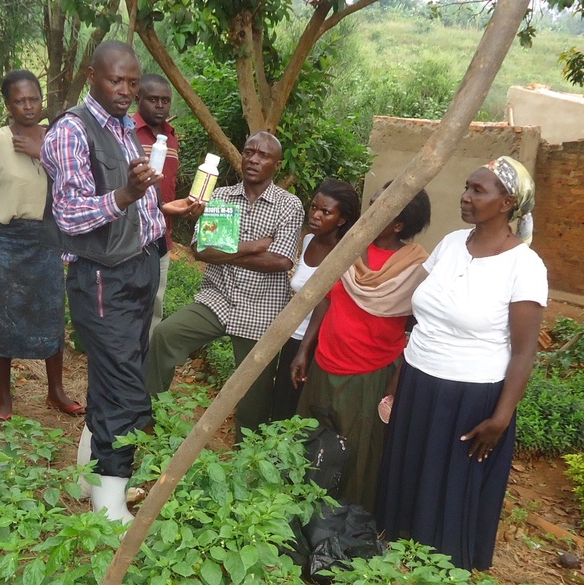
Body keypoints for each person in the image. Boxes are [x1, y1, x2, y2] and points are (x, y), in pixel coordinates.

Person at [40, 41, 199, 523]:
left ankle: (95, 478)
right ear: (92, 75)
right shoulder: (70, 132)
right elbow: (69, 213)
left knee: (117, 375)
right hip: (102, 276)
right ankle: (111, 497)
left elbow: (139, 195)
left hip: (139, 266)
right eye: (116, 81)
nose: (126, 91)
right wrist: (127, 194)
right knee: (128, 390)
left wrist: (153, 209)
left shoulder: (124, 125)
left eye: (132, 83)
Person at [374, 158, 547, 570]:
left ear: (507, 203)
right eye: (467, 187)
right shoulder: (451, 244)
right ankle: (398, 548)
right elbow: (421, 322)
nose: (465, 197)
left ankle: (439, 573)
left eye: (478, 191)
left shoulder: (524, 267)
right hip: (419, 380)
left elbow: (524, 353)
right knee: (410, 472)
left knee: (448, 485)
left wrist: (502, 418)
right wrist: (399, 382)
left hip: (470, 394)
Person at [147, 131, 304, 439]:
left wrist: (227, 252)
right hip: (217, 299)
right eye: (249, 152)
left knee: (253, 388)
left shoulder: (289, 206)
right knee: (165, 336)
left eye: (263, 155)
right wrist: (254, 246)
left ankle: (246, 450)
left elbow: (281, 261)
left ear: (277, 164)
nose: (254, 159)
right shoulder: (219, 197)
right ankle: (148, 415)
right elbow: (202, 251)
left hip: (261, 308)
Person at [290, 188, 432, 513]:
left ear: (399, 225)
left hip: (369, 374)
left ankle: (343, 523)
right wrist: (304, 351)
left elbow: (419, 325)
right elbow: (327, 299)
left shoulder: (415, 268)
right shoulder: (350, 247)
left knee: (356, 455)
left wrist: (398, 378)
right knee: (310, 442)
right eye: (371, 205)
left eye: (381, 208)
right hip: (325, 363)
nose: (370, 212)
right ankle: (298, 513)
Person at [0, 69, 83, 422]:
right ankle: (5, 398)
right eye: (19, 101)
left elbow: (71, 182)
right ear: (8, 104)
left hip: (47, 237)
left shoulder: (53, 137)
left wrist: (42, 152)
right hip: (10, 239)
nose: (28, 106)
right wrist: (2, 210)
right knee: (2, 315)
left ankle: (56, 391)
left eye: (34, 99)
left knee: (50, 313)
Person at [269, 179, 361, 422]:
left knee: (304, 413)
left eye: (326, 212)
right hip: (294, 337)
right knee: (280, 407)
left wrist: (304, 350)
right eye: (314, 208)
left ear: (341, 220)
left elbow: (328, 302)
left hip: (319, 345)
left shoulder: (345, 254)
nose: (316, 215)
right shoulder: (308, 240)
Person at [132, 74, 180, 334]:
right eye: (153, 100)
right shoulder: (126, 133)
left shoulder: (171, 138)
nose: (160, 106)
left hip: (162, 237)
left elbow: (169, 187)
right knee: (128, 305)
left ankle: (145, 368)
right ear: (138, 99)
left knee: (154, 304)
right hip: (130, 238)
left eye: (165, 100)